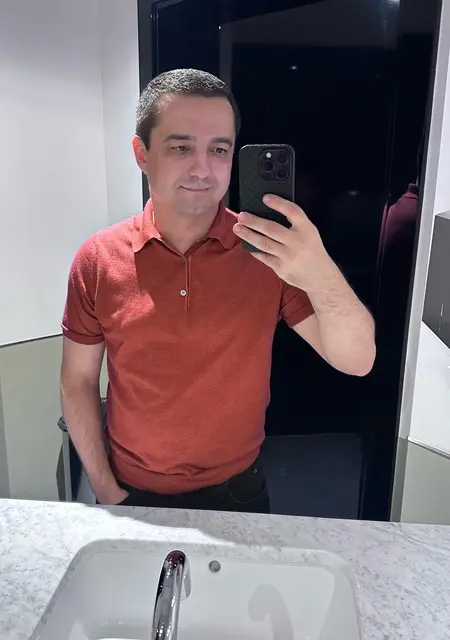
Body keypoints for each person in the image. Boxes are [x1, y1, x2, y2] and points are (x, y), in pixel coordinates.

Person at [61, 68, 375, 513]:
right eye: (181, 147)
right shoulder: (97, 259)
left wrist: (320, 270)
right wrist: (104, 486)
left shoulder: (269, 252)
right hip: (130, 491)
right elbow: (77, 380)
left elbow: (358, 361)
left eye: (219, 150)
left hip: (238, 491)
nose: (202, 169)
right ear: (142, 153)